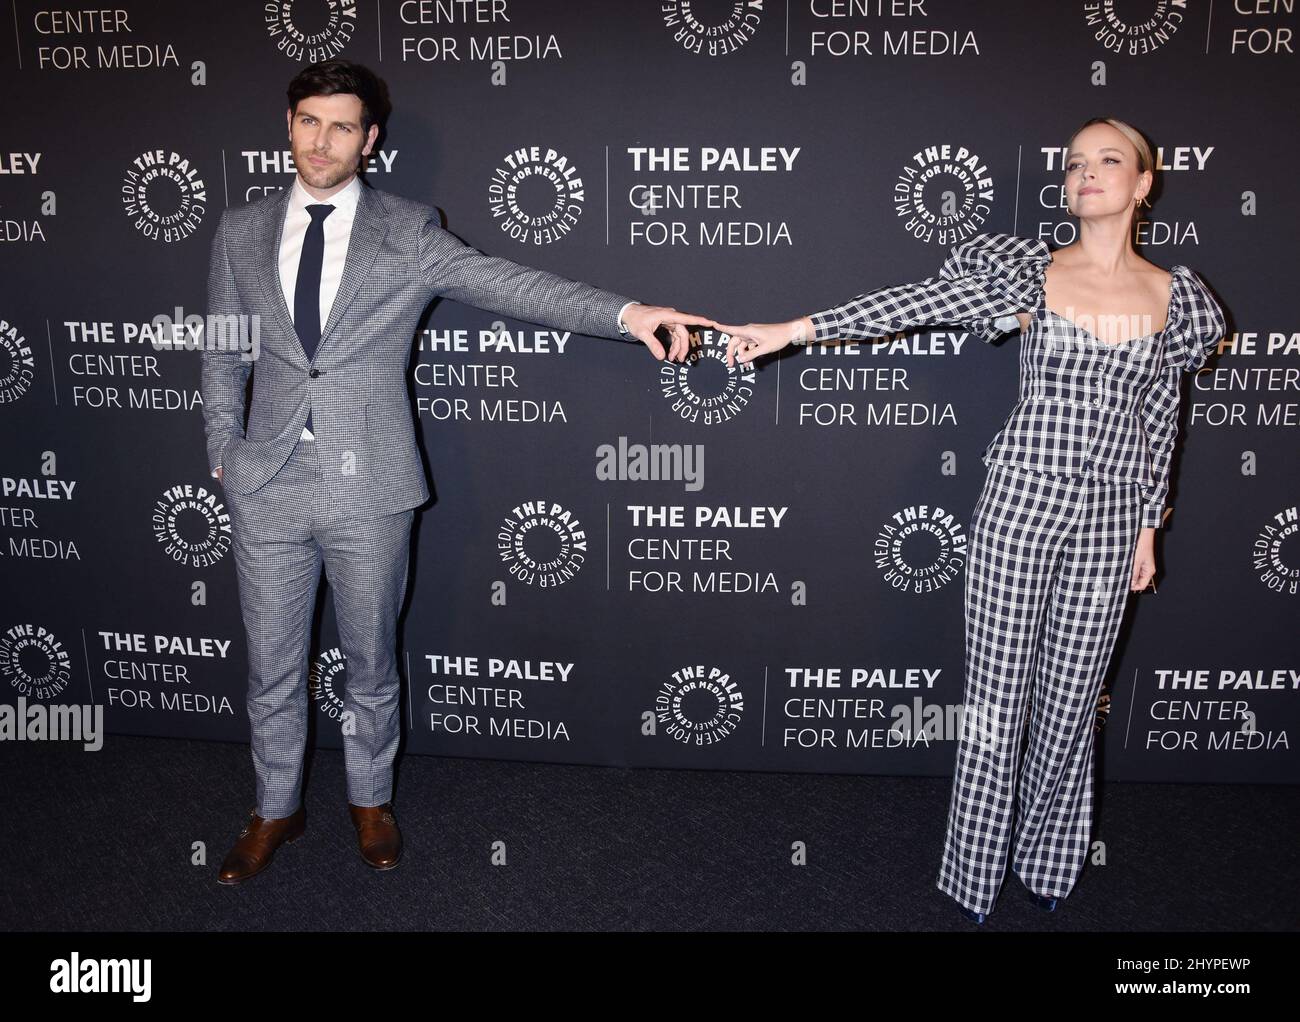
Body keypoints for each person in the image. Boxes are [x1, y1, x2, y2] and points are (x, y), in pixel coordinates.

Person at [201, 59, 715, 885]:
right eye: (308, 122)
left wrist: (629, 314)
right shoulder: (238, 228)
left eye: (342, 126)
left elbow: (507, 285)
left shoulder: (407, 227)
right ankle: (275, 808)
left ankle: (370, 801)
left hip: (369, 484)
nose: (323, 140)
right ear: (289, 126)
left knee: (369, 660)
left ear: (369, 140)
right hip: (264, 484)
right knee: (270, 666)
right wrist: (224, 449)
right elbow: (224, 352)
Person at [717, 117, 1226, 923]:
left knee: (1073, 697)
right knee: (996, 701)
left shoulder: (1176, 298)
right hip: (1020, 504)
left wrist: (1146, 527)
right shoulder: (1029, 274)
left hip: (1109, 521)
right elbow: (915, 301)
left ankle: (1049, 862)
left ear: (1143, 183)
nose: (1087, 173)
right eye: (1074, 163)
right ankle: (974, 870)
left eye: (1109, 160)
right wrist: (792, 331)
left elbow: (1163, 413)